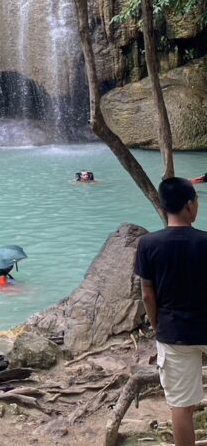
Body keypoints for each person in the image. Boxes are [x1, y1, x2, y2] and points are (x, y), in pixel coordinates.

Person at [134, 177, 207, 446]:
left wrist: (156, 325)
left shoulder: (148, 244)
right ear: (189, 206)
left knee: (182, 407)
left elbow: (147, 294)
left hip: (174, 332)